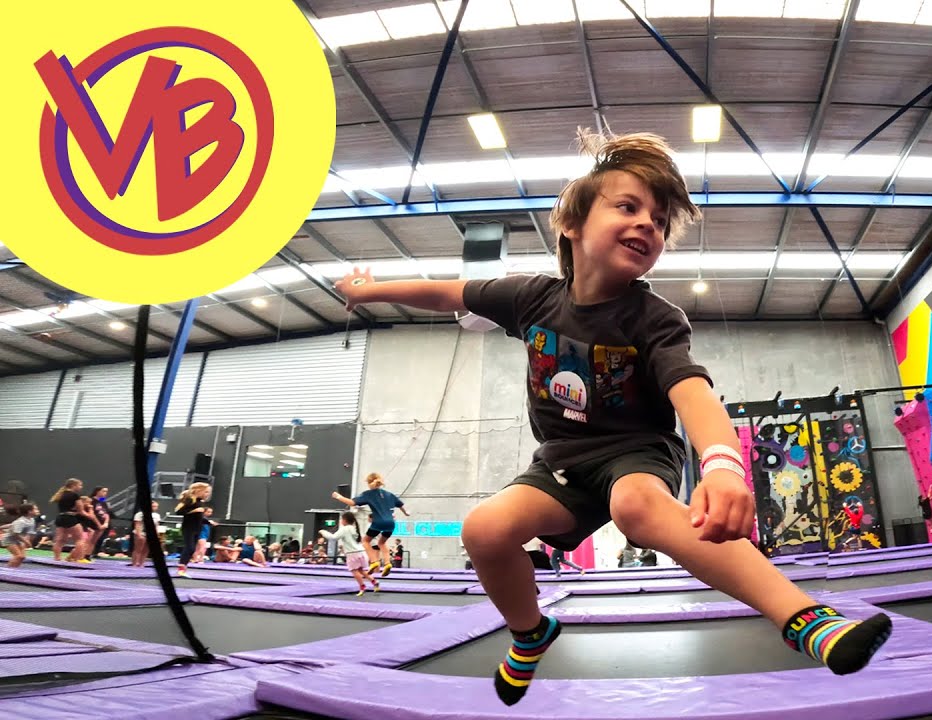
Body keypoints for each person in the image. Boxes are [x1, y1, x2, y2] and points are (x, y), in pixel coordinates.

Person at [335, 130, 892, 706]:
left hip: (636, 452)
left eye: (659, 220)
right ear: (572, 224)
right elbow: (446, 293)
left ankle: (804, 617)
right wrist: (368, 292)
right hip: (562, 463)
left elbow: (692, 391)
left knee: (636, 507)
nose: (647, 224)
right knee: (483, 530)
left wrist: (723, 465)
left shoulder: (654, 318)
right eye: (627, 207)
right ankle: (530, 633)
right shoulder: (531, 298)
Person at [332, 473, 409, 578]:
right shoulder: (389, 494)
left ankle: (374, 562)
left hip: (378, 522)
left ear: (369, 483)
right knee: (382, 543)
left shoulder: (368, 494)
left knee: (365, 541)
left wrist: (338, 496)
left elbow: (352, 503)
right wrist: (406, 513)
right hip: (391, 523)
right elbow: (401, 505)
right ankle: (387, 563)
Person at [321, 511, 380, 596]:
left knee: (354, 571)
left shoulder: (345, 529)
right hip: (361, 552)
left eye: (342, 519)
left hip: (352, 553)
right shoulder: (355, 528)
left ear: (344, 520)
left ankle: (362, 586)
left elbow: (333, 537)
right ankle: (374, 582)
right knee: (361, 570)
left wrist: (323, 532)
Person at [174, 482, 212, 577]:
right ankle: (181, 569)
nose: (207, 494)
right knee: (189, 548)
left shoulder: (199, 502)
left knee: (192, 549)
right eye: (206, 492)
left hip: (197, 528)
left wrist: (208, 522)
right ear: (199, 491)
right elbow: (178, 511)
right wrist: (194, 511)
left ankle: (183, 569)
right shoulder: (190, 499)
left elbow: (199, 517)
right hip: (188, 527)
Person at [50, 478, 87, 563]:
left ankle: (57, 558)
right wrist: (91, 516)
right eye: (80, 485)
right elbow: (81, 510)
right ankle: (78, 558)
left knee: (60, 540)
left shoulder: (61, 494)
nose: (81, 487)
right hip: (70, 518)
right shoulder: (74, 495)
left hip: (60, 518)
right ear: (73, 485)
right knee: (80, 539)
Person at [3, 503, 39, 568]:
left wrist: (26, 541)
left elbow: (29, 533)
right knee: (18, 556)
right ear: (29, 511)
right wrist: (25, 541)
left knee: (22, 557)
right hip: (9, 540)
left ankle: (14, 569)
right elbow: (15, 533)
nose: (38, 511)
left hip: (18, 540)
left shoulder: (32, 520)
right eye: (36, 509)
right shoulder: (21, 521)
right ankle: (8, 570)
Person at [131, 500, 163, 567]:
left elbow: (156, 526)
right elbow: (137, 525)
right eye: (153, 506)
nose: (155, 508)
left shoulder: (157, 515)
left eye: (156, 506)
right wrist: (139, 534)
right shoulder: (140, 514)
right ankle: (134, 563)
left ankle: (141, 563)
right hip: (141, 532)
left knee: (146, 550)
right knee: (138, 549)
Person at [89, 486, 113, 557]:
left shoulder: (102, 500)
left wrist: (106, 522)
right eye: (103, 491)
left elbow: (107, 512)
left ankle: (95, 552)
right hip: (94, 522)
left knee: (100, 538)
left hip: (104, 522)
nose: (105, 493)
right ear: (97, 491)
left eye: (106, 492)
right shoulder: (91, 500)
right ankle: (88, 553)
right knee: (91, 539)